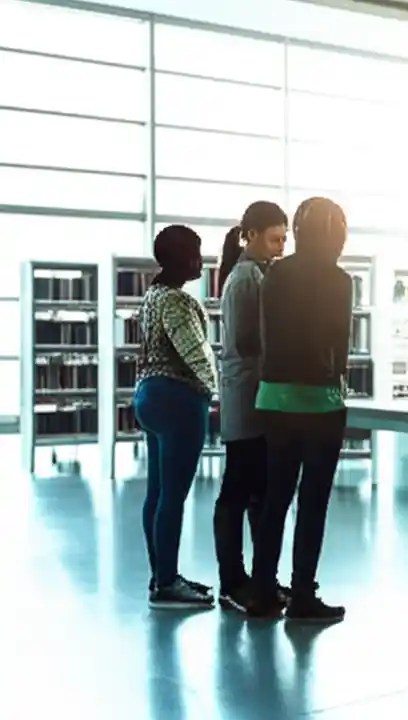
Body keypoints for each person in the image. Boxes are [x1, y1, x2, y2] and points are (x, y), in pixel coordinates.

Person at [250, 197, 352, 623]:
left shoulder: (275, 274)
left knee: (275, 498)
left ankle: (262, 591)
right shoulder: (340, 280)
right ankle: (304, 595)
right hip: (320, 403)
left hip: (273, 398)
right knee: (312, 502)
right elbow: (339, 343)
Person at [134, 225, 219, 609]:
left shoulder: (152, 296)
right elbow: (194, 351)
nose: (201, 261)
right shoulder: (177, 302)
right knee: (174, 496)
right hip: (178, 400)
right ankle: (167, 584)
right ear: (182, 258)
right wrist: (212, 389)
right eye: (196, 254)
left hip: (148, 397)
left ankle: (161, 577)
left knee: (157, 493)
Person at [212, 201, 288, 613]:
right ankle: (232, 581)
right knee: (238, 490)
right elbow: (246, 341)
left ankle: (262, 580)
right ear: (250, 235)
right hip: (246, 397)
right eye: (273, 239)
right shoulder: (245, 279)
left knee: (258, 490)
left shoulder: (261, 274)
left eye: (283, 239)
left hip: (259, 397)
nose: (279, 247)